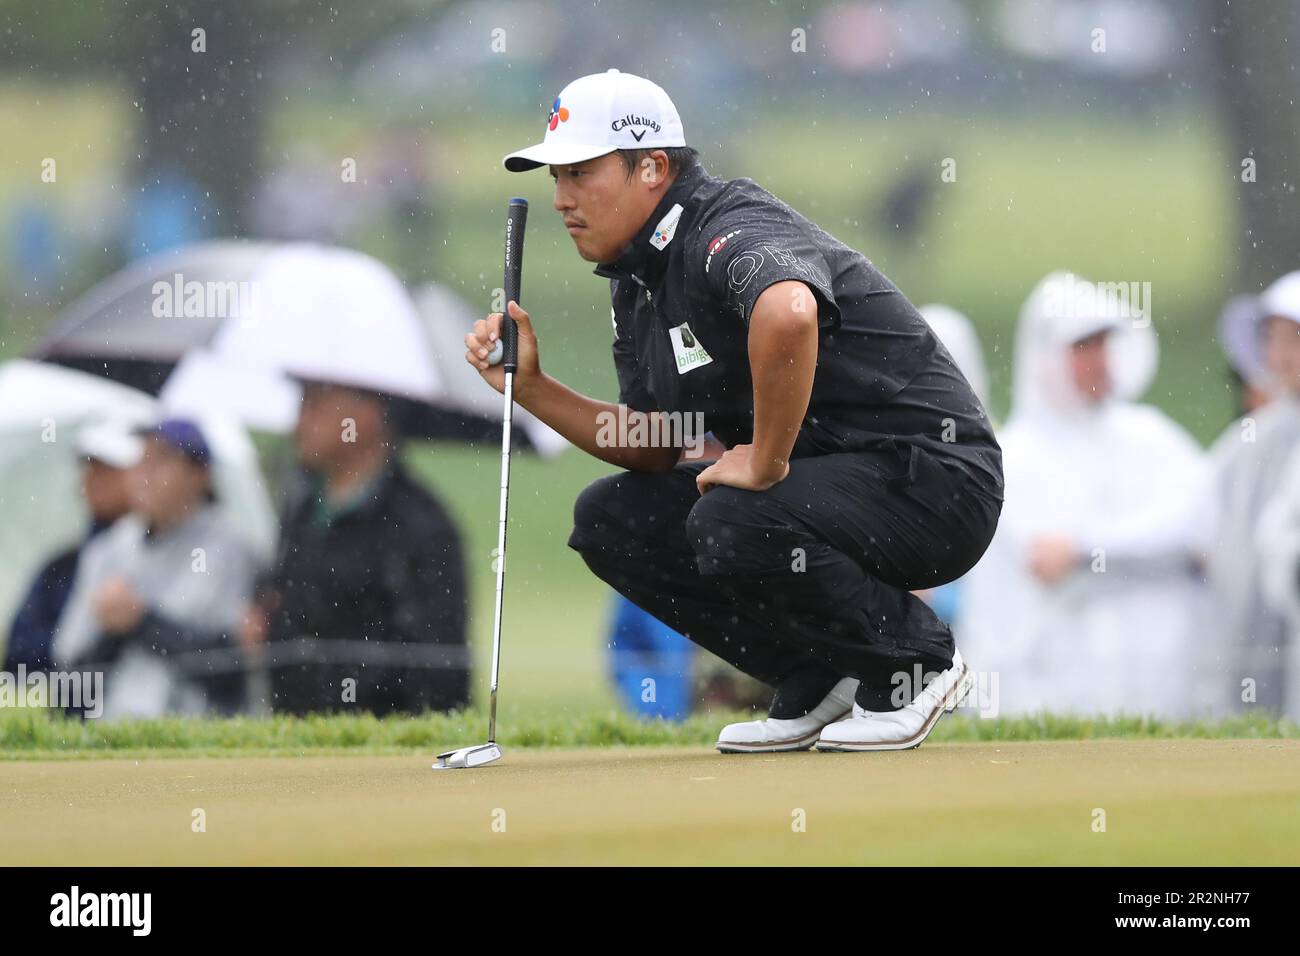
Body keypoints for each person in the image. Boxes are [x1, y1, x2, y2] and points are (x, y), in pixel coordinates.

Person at [470, 69, 1004, 753]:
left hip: (937, 481)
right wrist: (536, 388)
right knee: (611, 519)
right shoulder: (638, 284)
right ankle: (819, 672)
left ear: (653, 168)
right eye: (556, 179)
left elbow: (789, 310)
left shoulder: (725, 230)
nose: (562, 200)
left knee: (732, 516)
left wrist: (766, 457)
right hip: (830, 491)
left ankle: (914, 665)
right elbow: (660, 442)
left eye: (580, 174)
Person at [957, 272, 1207, 719]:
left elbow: (1195, 527)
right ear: (1045, 356)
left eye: (1103, 345)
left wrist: (1083, 551)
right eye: (1082, 347)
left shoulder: (1151, 437)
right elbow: (1040, 563)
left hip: (1156, 699)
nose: (1097, 361)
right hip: (1041, 701)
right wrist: (1126, 558)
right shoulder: (1011, 457)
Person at [241, 380, 471, 716]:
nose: (298, 425)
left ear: (366, 416)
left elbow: (438, 668)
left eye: (314, 405)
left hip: (386, 748)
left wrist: (341, 686)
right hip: (297, 739)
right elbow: (284, 601)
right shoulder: (301, 511)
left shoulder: (422, 525)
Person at [51, 419, 260, 717]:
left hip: (195, 736)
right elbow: (71, 665)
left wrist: (140, 620)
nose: (144, 473)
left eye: (161, 460)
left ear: (200, 475)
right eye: (140, 459)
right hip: (113, 731)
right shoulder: (108, 549)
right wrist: (113, 632)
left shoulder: (230, 549)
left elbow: (227, 666)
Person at [1202, 271, 1300, 718]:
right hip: (1259, 645)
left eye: (1293, 339)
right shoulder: (1252, 440)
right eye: (1275, 340)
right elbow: (1201, 513)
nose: (1282, 356)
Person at [5, 421, 140, 672]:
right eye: (90, 467)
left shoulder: (158, 560)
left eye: (107, 469)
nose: (91, 479)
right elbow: (20, 655)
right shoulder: (61, 567)